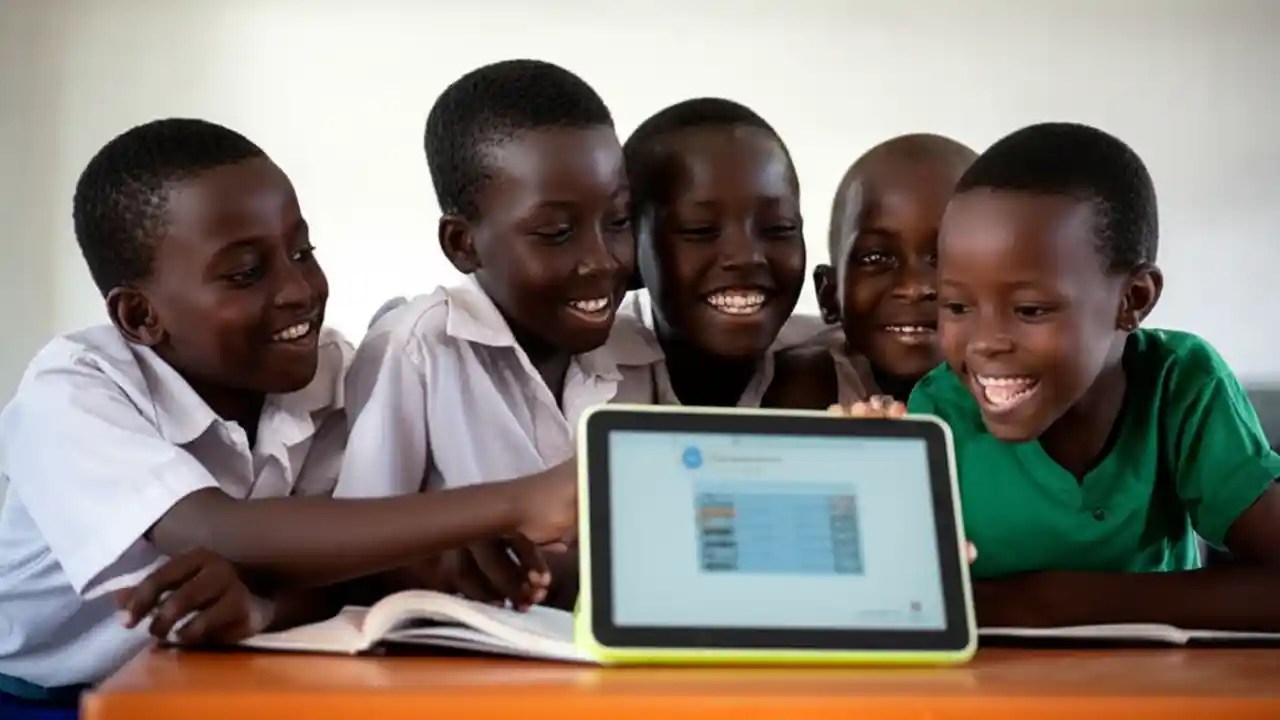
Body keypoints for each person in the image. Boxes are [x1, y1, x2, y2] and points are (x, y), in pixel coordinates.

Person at [0, 119, 576, 710]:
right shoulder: (73, 390)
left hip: (198, 679)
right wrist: (520, 500)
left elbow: (334, 568)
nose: (299, 289)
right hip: (35, 695)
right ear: (141, 316)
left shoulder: (331, 377)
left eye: (301, 251)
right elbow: (215, 531)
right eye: (246, 273)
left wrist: (266, 608)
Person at [839, 122, 1280, 629]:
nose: (984, 342)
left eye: (1029, 309)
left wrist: (1051, 601)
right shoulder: (941, 412)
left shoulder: (1179, 383)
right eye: (957, 305)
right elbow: (898, 603)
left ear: (1132, 300)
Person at [334, 59, 633, 611]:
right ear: (462, 244)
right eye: (555, 233)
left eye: (618, 221)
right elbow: (353, 549)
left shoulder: (632, 350)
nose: (601, 260)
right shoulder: (418, 348)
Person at [614, 97, 864, 409]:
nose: (747, 256)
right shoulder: (593, 367)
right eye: (700, 230)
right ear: (630, 243)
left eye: (778, 228)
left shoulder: (840, 363)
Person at [813, 134, 976, 402]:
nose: (914, 287)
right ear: (829, 294)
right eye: (876, 258)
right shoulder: (806, 391)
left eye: (948, 256)